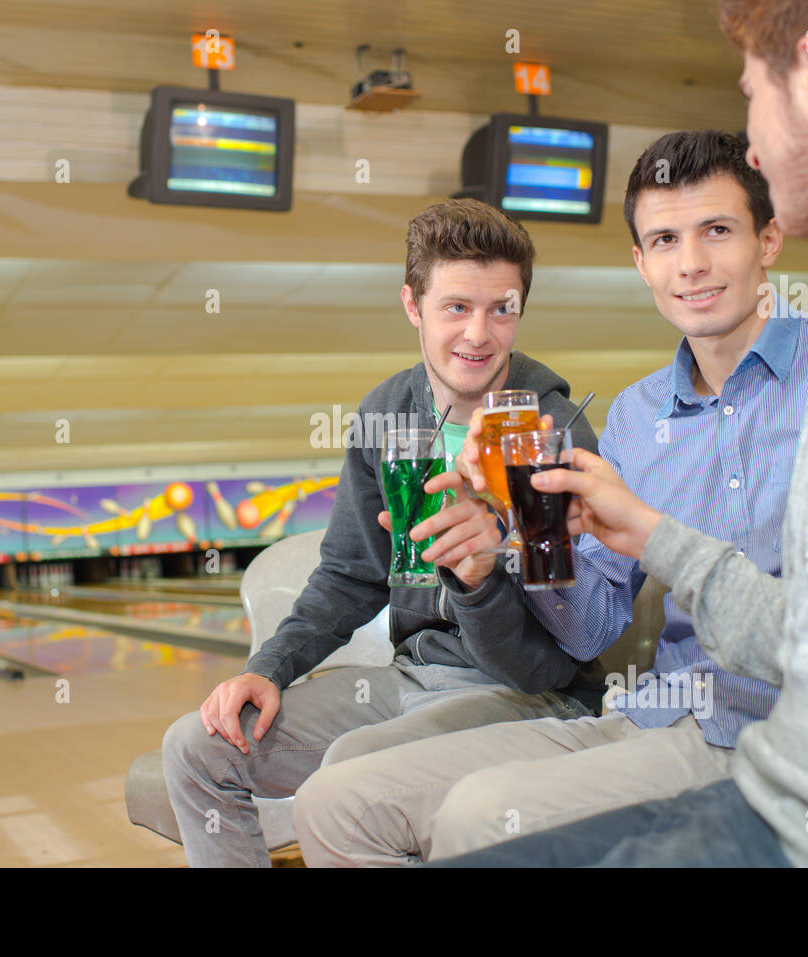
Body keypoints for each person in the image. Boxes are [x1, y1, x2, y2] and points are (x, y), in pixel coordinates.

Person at [435, 0, 808, 868]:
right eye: (663, 240)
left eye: (751, 93)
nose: (754, 141)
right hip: (792, 795)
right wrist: (637, 535)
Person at [292, 130, 808, 866]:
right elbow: (588, 629)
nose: (692, 262)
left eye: (717, 230)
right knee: (337, 802)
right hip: (653, 711)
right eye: (665, 238)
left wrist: (637, 530)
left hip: (780, 729)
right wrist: (519, 539)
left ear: (768, 240)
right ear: (641, 262)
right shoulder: (638, 419)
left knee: (482, 816)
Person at [161, 197, 603, 867]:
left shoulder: (549, 433)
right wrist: (268, 667)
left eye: (501, 308)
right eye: (456, 307)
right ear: (412, 305)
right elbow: (348, 575)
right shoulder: (384, 416)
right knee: (195, 747)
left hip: (527, 696)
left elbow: (554, 658)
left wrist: (480, 572)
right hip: (410, 677)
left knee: (351, 769)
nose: (479, 333)